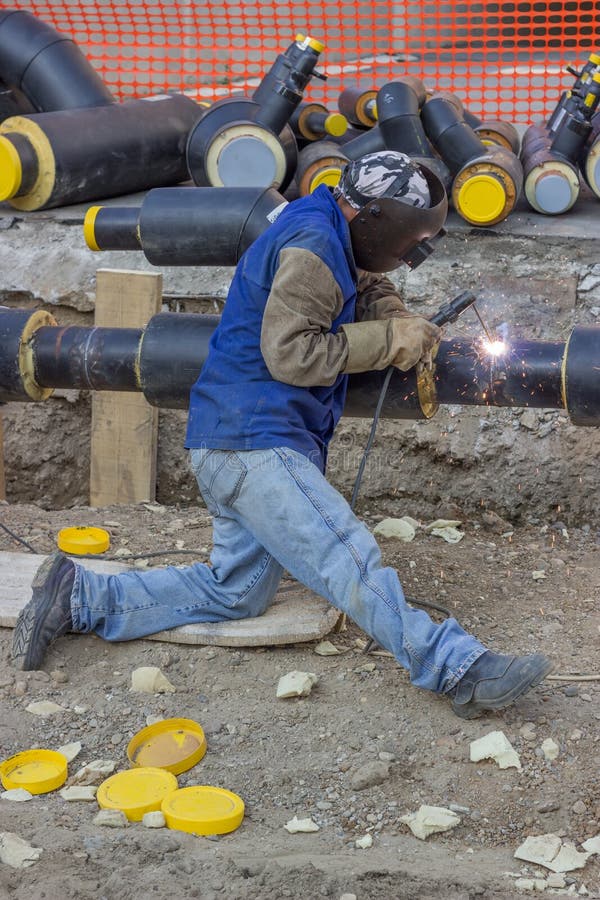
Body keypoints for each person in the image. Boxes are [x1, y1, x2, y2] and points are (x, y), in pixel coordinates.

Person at [12, 151, 553, 718]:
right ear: (373, 218)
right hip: (254, 445)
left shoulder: (326, 221)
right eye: (408, 245)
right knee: (347, 556)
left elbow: (362, 276)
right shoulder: (313, 248)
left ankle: (80, 596)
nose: (407, 257)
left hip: (227, 441)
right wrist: (389, 338)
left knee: (236, 591)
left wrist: (390, 308)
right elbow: (291, 353)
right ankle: (455, 667)